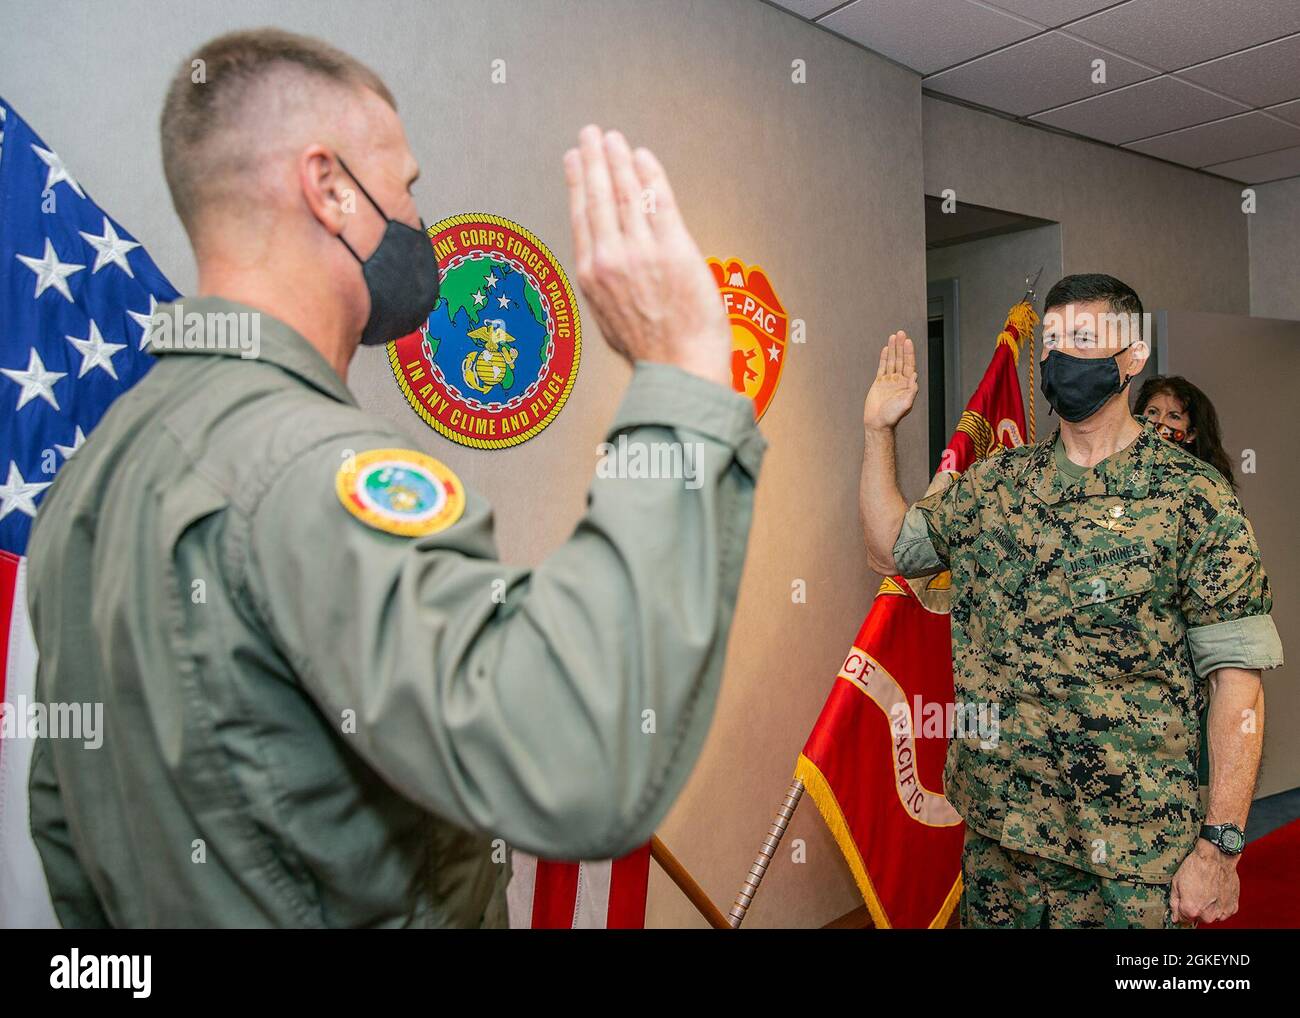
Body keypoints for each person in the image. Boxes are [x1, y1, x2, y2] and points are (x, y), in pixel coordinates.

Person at [26, 29, 765, 928]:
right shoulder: (312, 468)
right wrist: (682, 371)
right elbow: (579, 759)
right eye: (407, 187)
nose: (419, 219)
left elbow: (68, 836)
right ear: (331, 188)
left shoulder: (87, 484)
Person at [859, 273, 1283, 929]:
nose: (1062, 358)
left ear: (1132, 358)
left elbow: (1239, 685)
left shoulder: (1194, 498)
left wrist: (1219, 844)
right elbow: (893, 550)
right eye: (1053, 342)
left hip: (1129, 864)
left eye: (1084, 339)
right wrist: (877, 433)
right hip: (1002, 853)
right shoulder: (999, 481)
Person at [1135, 375, 1237, 491]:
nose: (1160, 421)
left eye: (1174, 416)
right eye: (1152, 412)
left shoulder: (1204, 481)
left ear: (1191, 434)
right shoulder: (1122, 463)